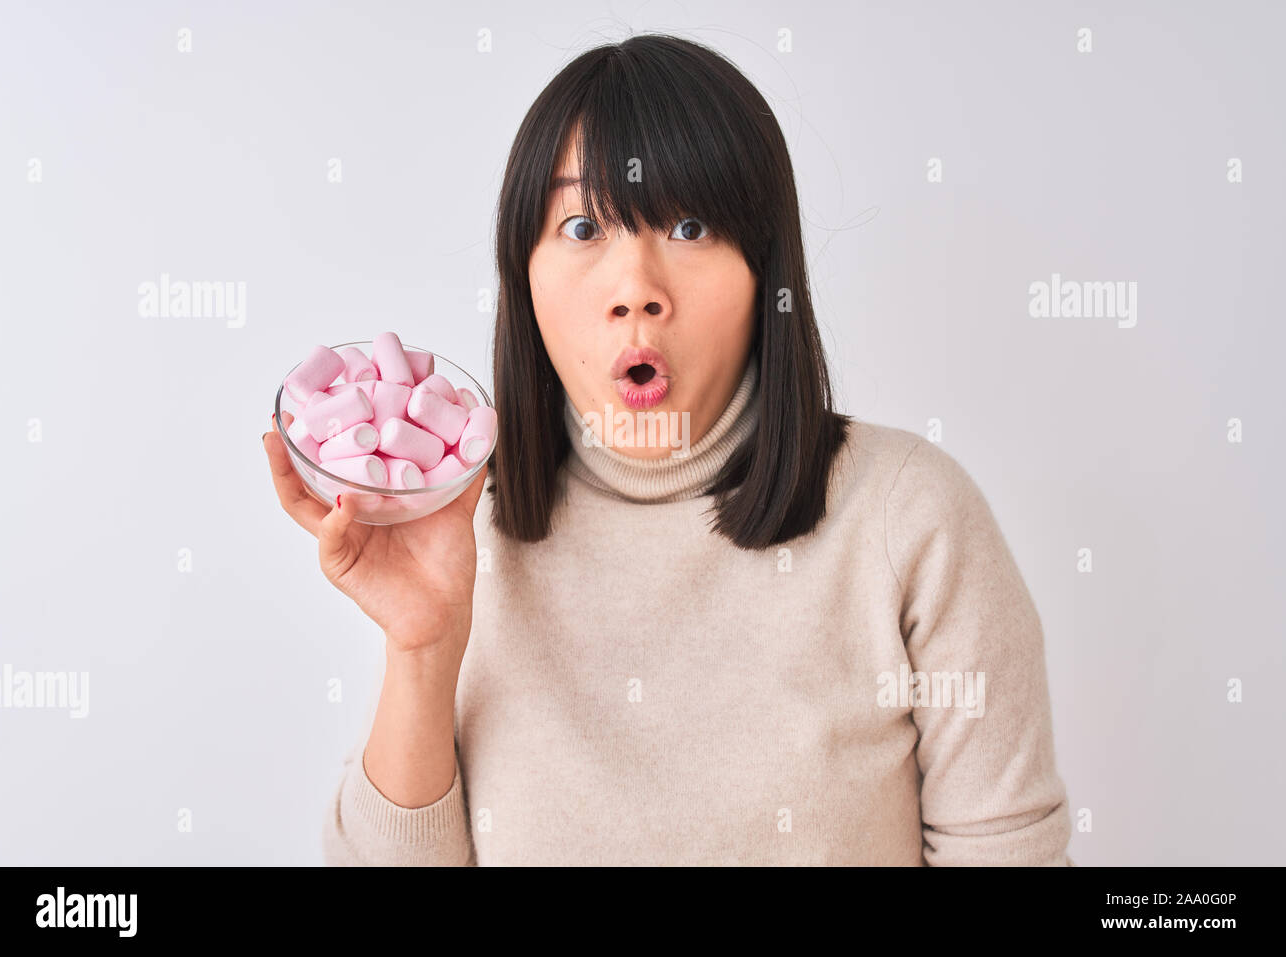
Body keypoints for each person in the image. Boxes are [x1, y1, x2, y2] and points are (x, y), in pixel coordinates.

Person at [262, 33, 1072, 866]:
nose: (635, 290)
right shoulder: (467, 524)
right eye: (581, 225)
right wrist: (424, 649)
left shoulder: (911, 517)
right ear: (522, 272)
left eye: (689, 224)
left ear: (766, 266)